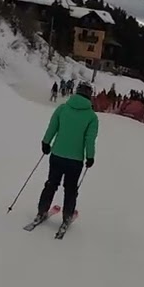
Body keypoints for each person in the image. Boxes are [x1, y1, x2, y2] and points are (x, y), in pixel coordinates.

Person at [38, 81, 99, 222]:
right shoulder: (92, 117)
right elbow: (90, 140)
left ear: (77, 91)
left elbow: (52, 127)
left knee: (51, 184)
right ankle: (67, 216)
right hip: (75, 160)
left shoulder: (62, 109)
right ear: (90, 95)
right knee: (71, 189)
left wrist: (46, 143)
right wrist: (90, 157)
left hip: (57, 155)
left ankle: (42, 211)